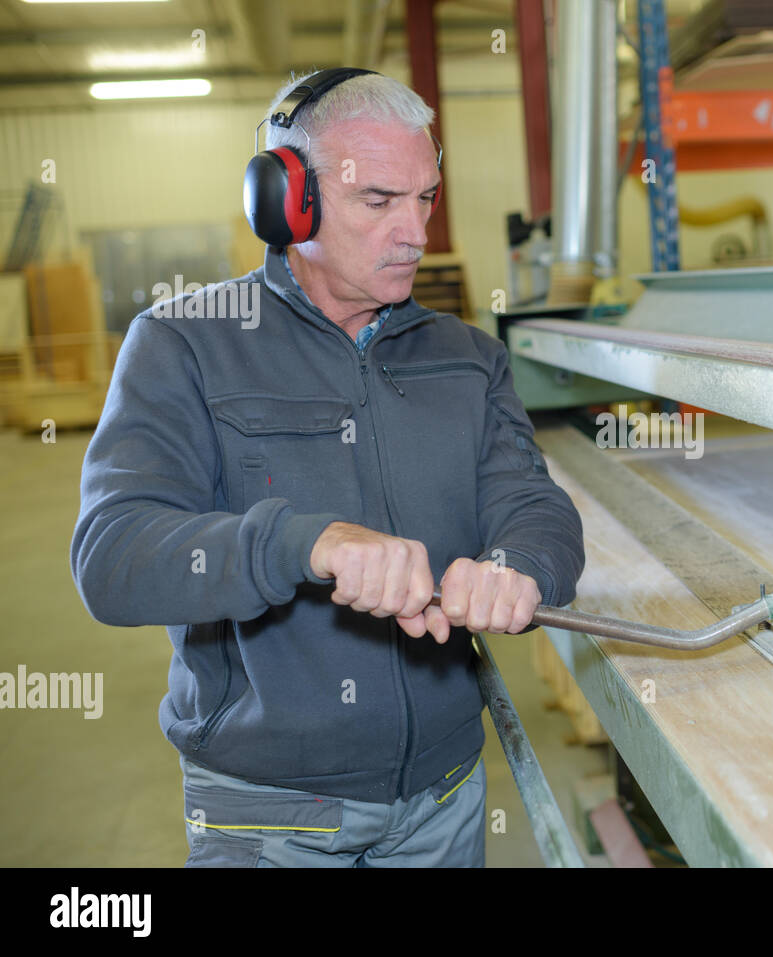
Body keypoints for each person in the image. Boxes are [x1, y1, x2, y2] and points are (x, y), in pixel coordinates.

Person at [69, 68, 585, 867]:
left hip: (444, 799)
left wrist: (521, 564)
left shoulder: (466, 358)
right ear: (287, 200)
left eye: (424, 200)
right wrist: (308, 545)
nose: (414, 232)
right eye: (378, 201)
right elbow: (113, 557)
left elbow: (533, 503)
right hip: (267, 815)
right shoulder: (184, 345)